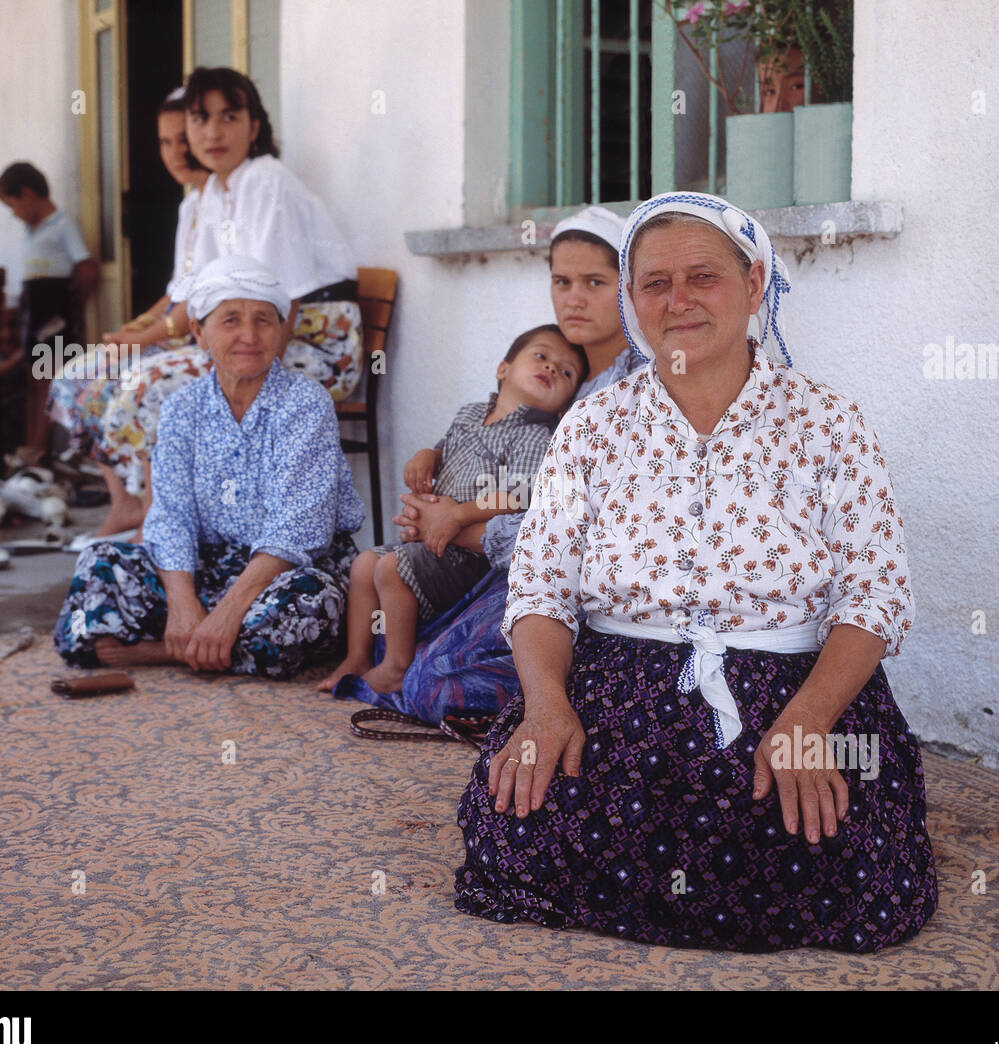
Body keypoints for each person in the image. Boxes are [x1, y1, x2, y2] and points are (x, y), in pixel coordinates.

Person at [453, 191, 937, 954]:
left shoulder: (828, 422)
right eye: (653, 283)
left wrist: (808, 723)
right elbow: (541, 587)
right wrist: (545, 708)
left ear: (752, 286)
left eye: (702, 278)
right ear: (632, 299)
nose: (677, 302)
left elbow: (875, 595)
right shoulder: (594, 425)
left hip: (794, 687)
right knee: (517, 821)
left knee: (847, 861)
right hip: (616, 684)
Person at [347, 206, 646, 723]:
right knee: (402, 635)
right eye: (562, 281)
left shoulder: (635, 387)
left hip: (581, 578)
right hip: (510, 565)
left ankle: (578, 702)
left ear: (630, 286)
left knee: (434, 686)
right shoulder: (562, 391)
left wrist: (454, 524)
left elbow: (574, 524)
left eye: (595, 282)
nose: (573, 298)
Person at [53, 255, 364, 678]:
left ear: (279, 329)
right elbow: (170, 515)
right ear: (198, 332)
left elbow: (298, 529)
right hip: (209, 566)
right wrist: (184, 605)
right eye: (230, 320)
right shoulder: (182, 406)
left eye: (263, 320)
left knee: (310, 602)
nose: (249, 336)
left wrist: (226, 615)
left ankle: (164, 652)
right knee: (101, 561)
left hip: (283, 571)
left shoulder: (305, 403)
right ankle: (203, 642)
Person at [93, 66, 360, 527]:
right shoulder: (216, 190)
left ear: (253, 127)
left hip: (311, 342)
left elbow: (282, 299)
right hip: (252, 333)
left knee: (152, 386)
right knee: (137, 375)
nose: (213, 132)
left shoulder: (266, 179)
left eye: (229, 117)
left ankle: (163, 526)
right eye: (199, 119)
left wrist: (256, 376)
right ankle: (165, 525)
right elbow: (204, 290)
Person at [320, 324, 584, 694]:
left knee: (392, 567)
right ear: (503, 368)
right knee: (364, 564)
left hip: (469, 557)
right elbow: (444, 448)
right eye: (541, 356)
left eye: (567, 371)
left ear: (568, 400)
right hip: (433, 539)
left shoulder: (536, 434)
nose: (552, 368)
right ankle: (357, 657)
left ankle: (397, 665)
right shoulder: (469, 413)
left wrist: (458, 515)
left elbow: (517, 496)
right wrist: (425, 456)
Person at [46, 86, 212, 537]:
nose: (176, 152)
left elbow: (202, 301)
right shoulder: (191, 204)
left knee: (131, 380)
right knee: (73, 375)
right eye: (164, 142)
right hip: (178, 328)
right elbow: (176, 290)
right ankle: (125, 502)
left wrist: (144, 339)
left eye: (183, 138)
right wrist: (130, 329)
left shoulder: (224, 199)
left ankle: (155, 511)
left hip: (208, 335)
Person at [0, 161, 99, 453]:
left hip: (55, 314)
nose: (14, 214)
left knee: (47, 382)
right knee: (33, 381)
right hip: (35, 313)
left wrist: (71, 310)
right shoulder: (32, 230)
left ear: (28, 194)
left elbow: (87, 269)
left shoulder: (63, 224)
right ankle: (31, 447)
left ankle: (39, 451)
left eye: (13, 205)